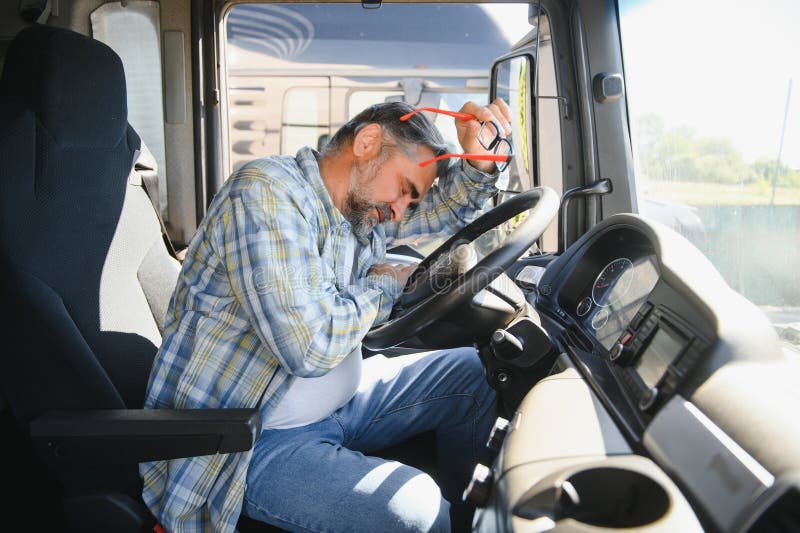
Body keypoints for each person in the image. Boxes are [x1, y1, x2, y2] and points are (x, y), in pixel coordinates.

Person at [139, 99, 512, 533]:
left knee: (473, 372)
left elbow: (441, 213)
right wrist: (385, 282)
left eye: (410, 201)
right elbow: (311, 346)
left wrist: (481, 165)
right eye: (404, 188)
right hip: (249, 441)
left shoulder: (355, 210)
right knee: (417, 509)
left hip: (336, 407)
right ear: (368, 143)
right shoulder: (266, 192)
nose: (400, 211)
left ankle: (467, 521)